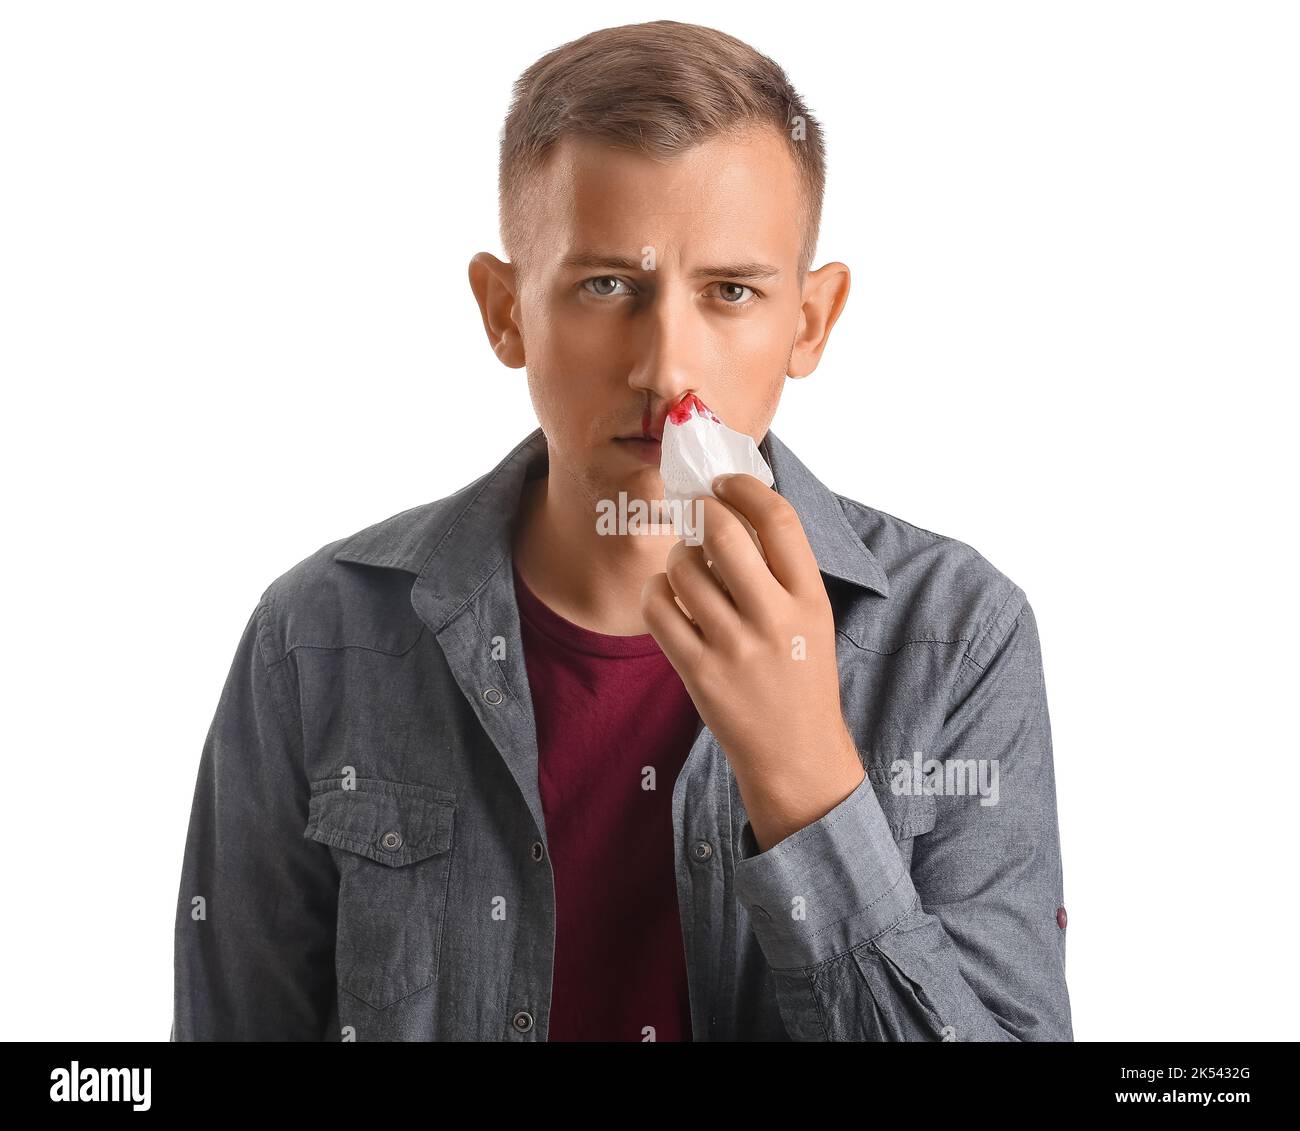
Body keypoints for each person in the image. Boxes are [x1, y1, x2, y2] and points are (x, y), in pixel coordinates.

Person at [172, 18, 1072, 1042]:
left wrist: (806, 777)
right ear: (506, 310)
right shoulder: (315, 639)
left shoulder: (957, 641)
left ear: (809, 324)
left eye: (730, 292)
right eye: (608, 287)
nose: (666, 372)